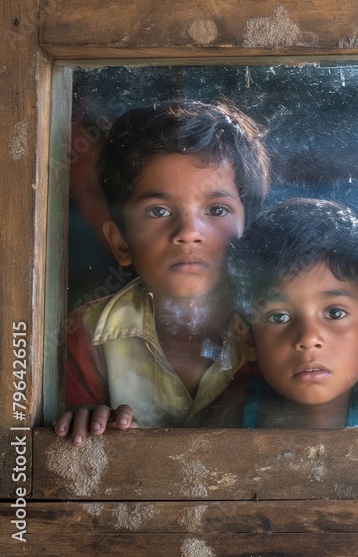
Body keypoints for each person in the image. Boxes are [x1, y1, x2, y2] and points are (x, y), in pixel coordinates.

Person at [55, 99, 270, 445]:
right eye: (158, 211)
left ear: (249, 233)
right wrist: (84, 422)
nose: (188, 231)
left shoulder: (280, 327)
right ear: (121, 243)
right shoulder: (85, 339)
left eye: (216, 209)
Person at [202, 198, 358, 428]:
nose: (308, 339)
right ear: (248, 338)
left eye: (335, 313)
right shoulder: (220, 425)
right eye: (279, 317)